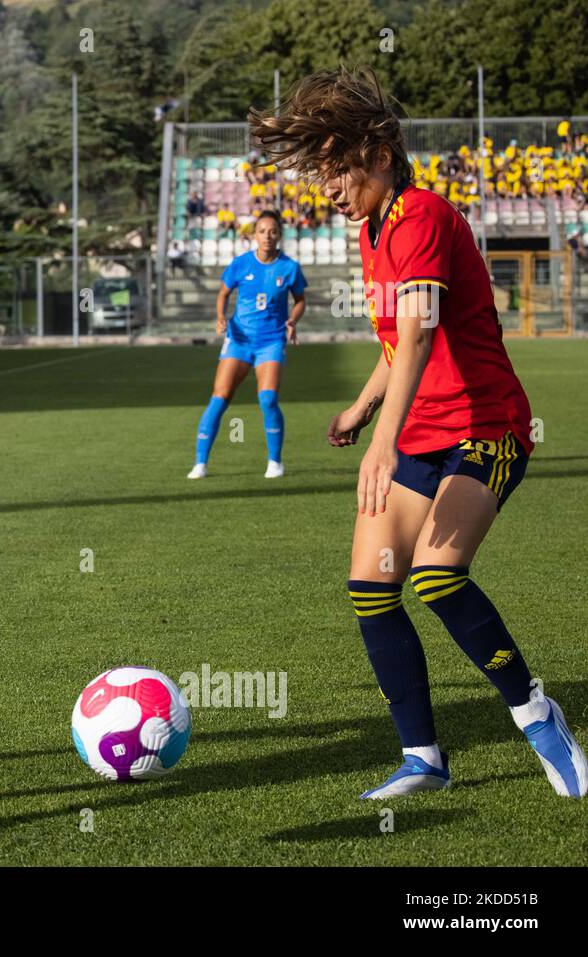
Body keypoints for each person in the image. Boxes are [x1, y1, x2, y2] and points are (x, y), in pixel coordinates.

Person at [252, 65, 586, 799]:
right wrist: (364, 408)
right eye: (322, 174)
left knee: (437, 576)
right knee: (372, 586)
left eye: (338, 170)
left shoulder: (423, 217)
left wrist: (381, 438)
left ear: (377, 152)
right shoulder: (373, 231)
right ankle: (423, 757)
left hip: (486, 426)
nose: (329, 188)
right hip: (420, 434)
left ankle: (537, 714)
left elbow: (423, 329)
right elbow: (395, 346)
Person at [187, 209, 306, 480]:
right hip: (239, 340)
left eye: (273, 231)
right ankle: (200, 463)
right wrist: (220, 318)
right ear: (255, 235)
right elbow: (223, 293)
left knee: (268, 399)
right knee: (219, 399)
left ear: (280, 234)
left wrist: (292, 321)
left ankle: (275, 462)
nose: (267, 236)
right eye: (262, 231)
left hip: (271, 341)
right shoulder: (241, 264)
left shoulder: (289, 268)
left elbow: (300, 300)